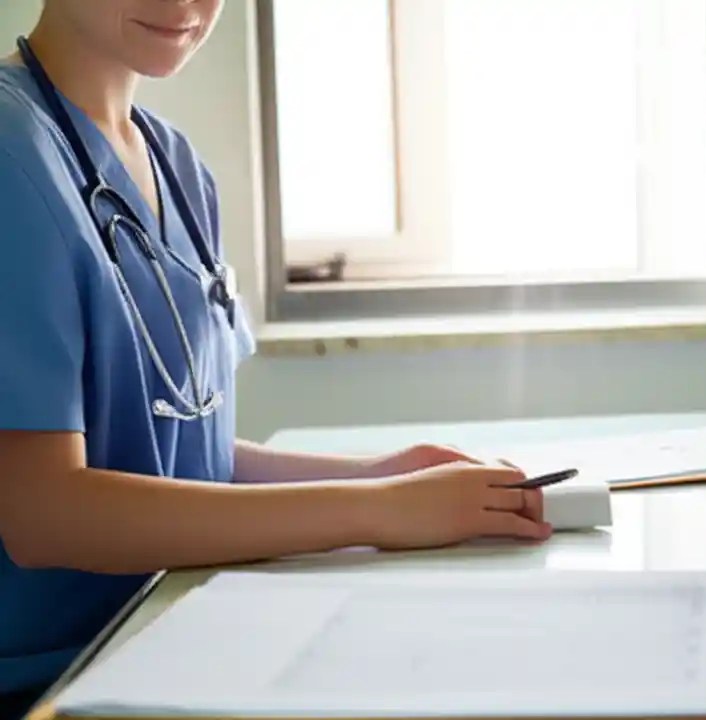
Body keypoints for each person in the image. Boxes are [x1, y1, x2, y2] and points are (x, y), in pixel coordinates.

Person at [0, 2, 552, 715]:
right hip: (51, 685)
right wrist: (376, 510)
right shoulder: (12, 152)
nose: (182, 4)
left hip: (169, 642)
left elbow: (185, 452)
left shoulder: (175, 165)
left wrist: (380, 473)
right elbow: (45, 512)